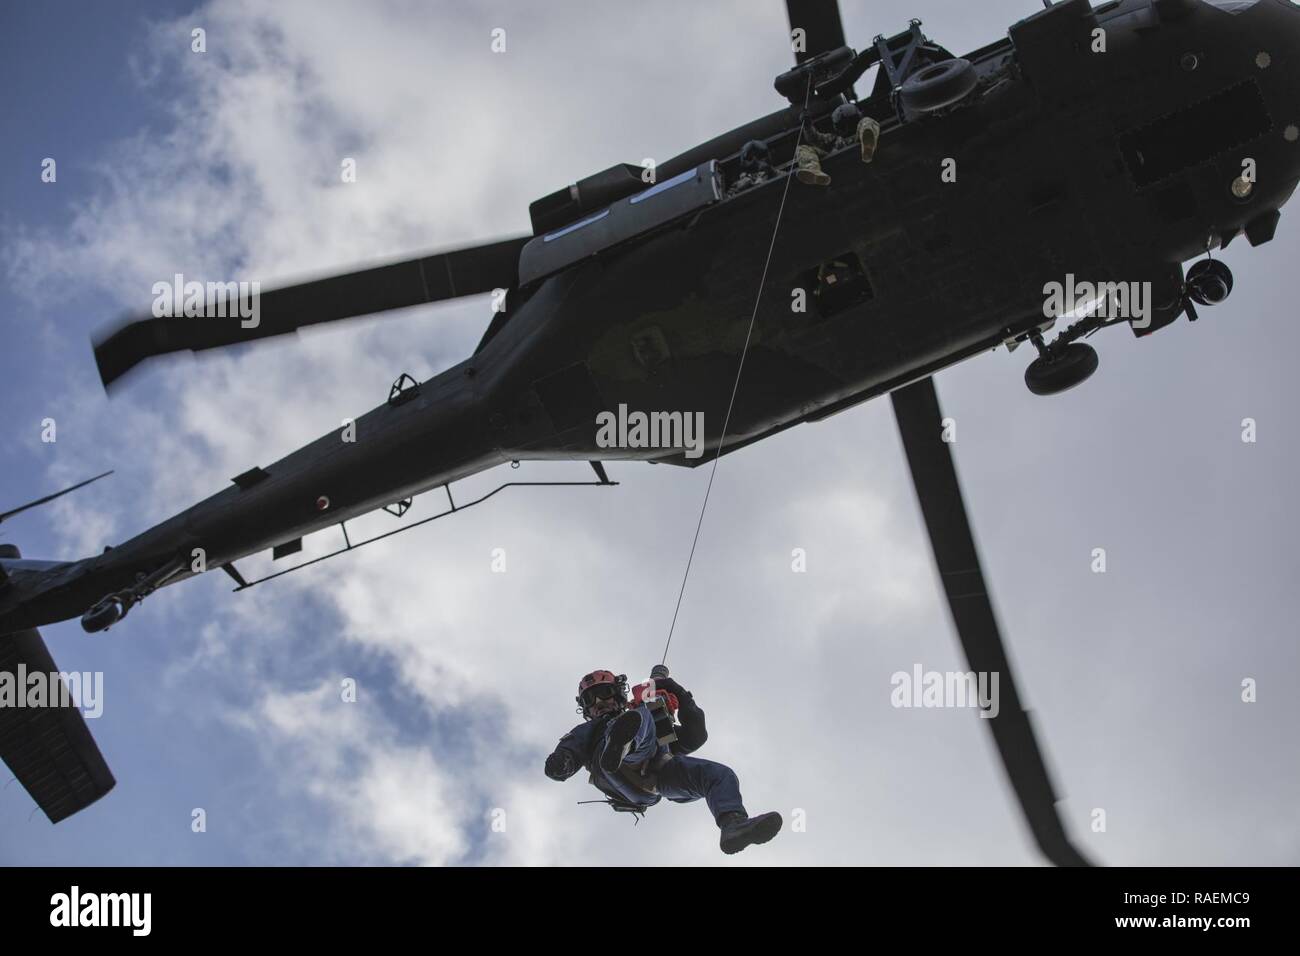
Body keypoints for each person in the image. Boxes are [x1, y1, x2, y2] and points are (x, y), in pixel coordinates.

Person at [544, 668, 782, 855]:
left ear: (617, 694)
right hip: (615, 771)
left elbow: (695, 736)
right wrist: (561, 763)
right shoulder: (591, 729)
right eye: (589, 699)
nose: (598, 702)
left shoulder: (645, 715)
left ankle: (733, 825)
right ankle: (622, 746)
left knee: (720, 776)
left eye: (604, 693)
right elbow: (569, 752)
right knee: (640, 716)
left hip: (655, 779)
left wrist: (676, 693)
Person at [794, 102, 883, 187]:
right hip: (848, 156)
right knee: (803, 149)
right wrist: (807, 125)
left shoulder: (840, 137)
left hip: (857, 147)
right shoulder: (833, 139)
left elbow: (815, 139)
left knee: (867, 123)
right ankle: (813, 171)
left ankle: (867, 145)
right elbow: (815, 138)